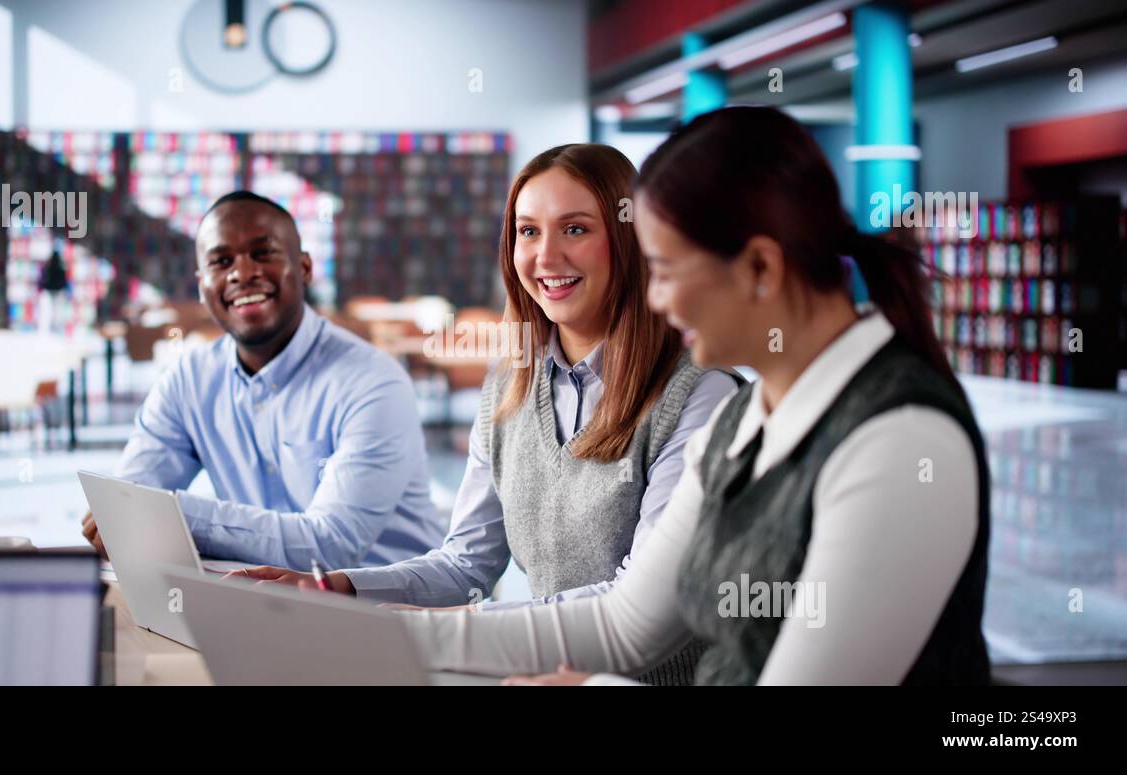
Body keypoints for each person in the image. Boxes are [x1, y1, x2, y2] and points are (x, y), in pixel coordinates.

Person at [400, 107, 992, 685]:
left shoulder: (901, 438)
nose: (653, 300)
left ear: (760, 265)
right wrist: (392, 632)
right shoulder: (740, 421)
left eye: (665, 270)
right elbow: (624, 624)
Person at [229, 144, 740, 684]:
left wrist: (439, 627)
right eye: (528, 231)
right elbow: (467, 564)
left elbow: (633, 611)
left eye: (575, 229)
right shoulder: (510, 384)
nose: (545, 258)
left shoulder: (699, 396)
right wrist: (342, 590)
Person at [81, 191, 445, 569]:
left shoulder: (374, 382)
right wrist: (122, 515)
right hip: (267, 603)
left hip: (393, 613)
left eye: (263, 253)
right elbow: (129, 500)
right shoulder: (188, 381)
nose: (242, 273)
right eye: (221, 262)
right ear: (203, 286)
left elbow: (329, 546)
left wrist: (170, 515)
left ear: (303, 268)